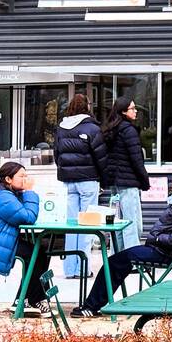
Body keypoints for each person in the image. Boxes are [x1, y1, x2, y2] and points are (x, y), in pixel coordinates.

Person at [73, 171, 172, 317]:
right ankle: (93, 304)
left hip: (162, 252)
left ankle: (91, 306)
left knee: (113, 263)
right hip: (161, 250)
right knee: (117, 262)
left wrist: (157, 238)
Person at [0, 161, 50, 317]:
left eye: (26, 175)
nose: (26, 179)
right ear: (8, 179)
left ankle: (27, 299)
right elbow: (27, 218)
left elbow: (22, 214)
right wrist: (30, 192)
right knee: (36, 252)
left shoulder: (5, 192)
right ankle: (26, 300)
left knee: (40, 250)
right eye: (21, 176)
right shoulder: (2, 197)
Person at [53, 93, 109, 278]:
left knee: (71, 226)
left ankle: (69, 270)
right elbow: (101, 157)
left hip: (69, 182)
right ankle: (83, 269)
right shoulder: (92, 128)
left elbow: (57, 154)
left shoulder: (61, 128)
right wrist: (104, 179)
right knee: (87, 226)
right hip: (88, 181)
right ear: (87, 107)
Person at [103, 96, 149, 251]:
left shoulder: (111, 130)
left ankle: (117, 255)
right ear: (123, 111)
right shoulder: (129, 131)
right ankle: (133, 256)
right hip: (129, 183)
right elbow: (136, 159)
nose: (136, 111)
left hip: (115, 183)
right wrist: (144, 180)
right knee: (132, 223)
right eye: (132, 108)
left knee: (119, 222)